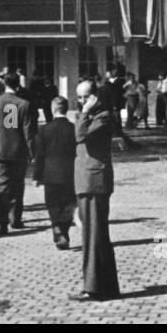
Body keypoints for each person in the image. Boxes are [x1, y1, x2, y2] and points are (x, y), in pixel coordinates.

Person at [72, 80, 119, 301]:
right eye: (79, 97)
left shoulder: (102, 116)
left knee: (93, 235)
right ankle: (103, 286)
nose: (82, 101)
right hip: (86, 178)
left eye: (86, 96)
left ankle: (94, 287)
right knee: (94, 234)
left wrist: (84, 112)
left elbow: (80, 136)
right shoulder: (89, 116)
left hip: (94, 180)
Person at [0, 73, 36, 234]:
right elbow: (28, 132)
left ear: (3, 83)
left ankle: (3, 222)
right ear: (18, 85)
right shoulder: (23, 104)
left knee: (3, 187)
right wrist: (32, 152)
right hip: (18, 151)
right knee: (18, 185)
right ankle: (16, 219)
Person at [32, 97, 76, 250]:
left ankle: (56, 226)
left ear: (52, 109)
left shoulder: (44, 129)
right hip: (69, 173)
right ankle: (63, 230)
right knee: (69, 204)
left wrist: (36, 176)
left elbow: (40, 155)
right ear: (67, 109)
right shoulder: (74, 129)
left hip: (49, 174)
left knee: (52, 204)